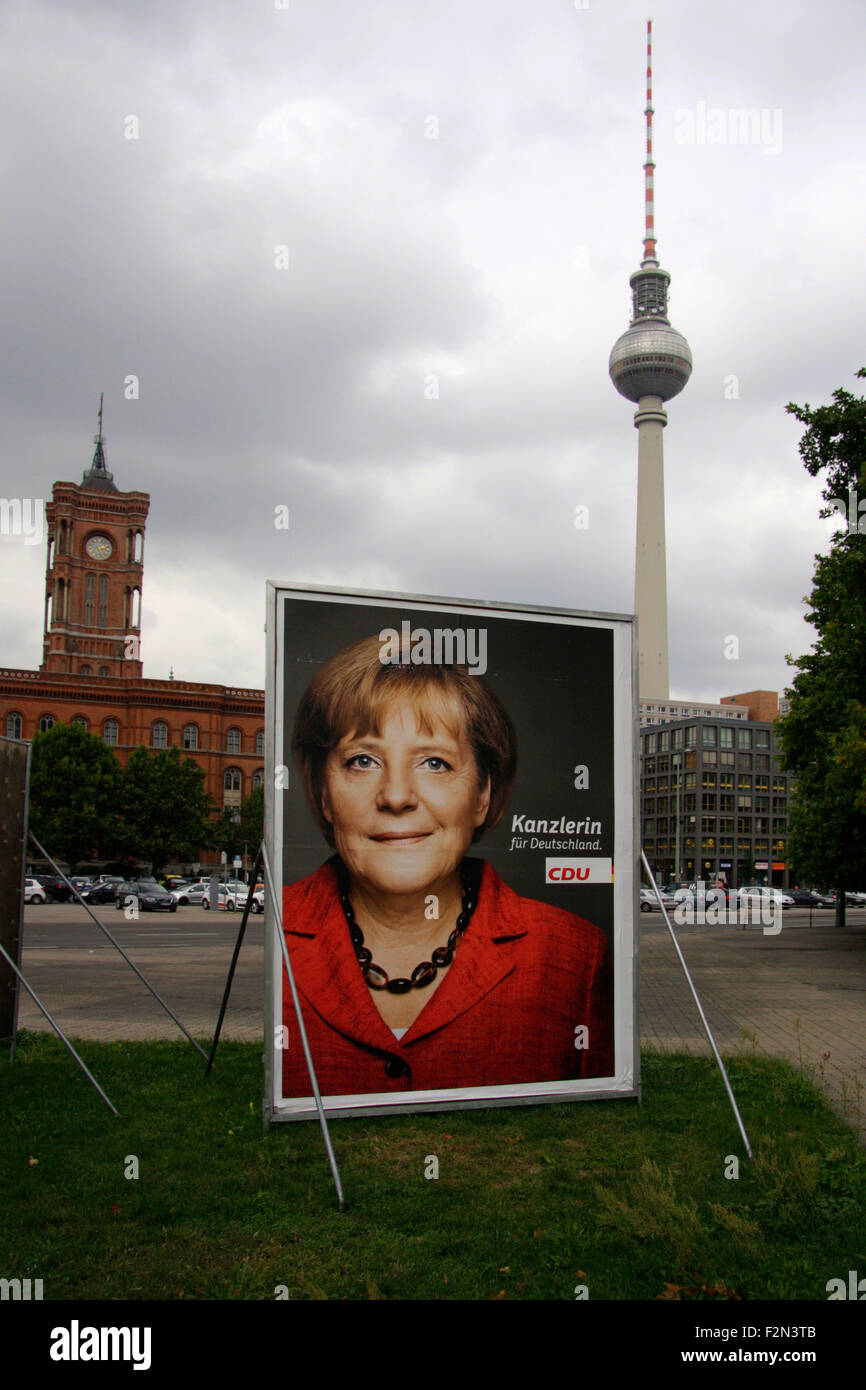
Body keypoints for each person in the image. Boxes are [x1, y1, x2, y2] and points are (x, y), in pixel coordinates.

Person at [281, 632, 613, 1097]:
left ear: (482, 795)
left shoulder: (577, 957)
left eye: (434, 763)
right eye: (362, 760)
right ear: (322, 793)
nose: (396, 796)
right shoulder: (270, 934)